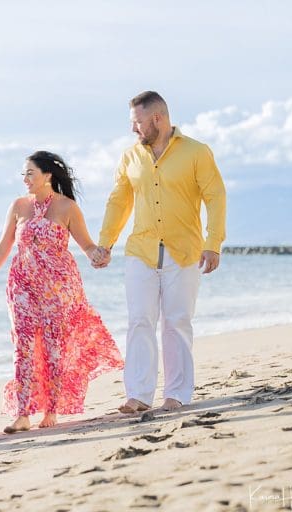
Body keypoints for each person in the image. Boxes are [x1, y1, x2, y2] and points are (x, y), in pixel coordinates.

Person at [93, 91, 226, 413]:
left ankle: (177, 394)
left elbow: (215, 197)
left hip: (185, 250)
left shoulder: (196, 152)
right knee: (139, 320)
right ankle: (138, 394)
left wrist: (213, 243)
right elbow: (119, 201)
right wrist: (105, 242)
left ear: (158, 119)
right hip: (141, 250)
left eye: (137, 123)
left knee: (177, 321)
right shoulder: (130, 157)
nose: (133, 130)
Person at [0, 151, 124, 433]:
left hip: (58, 288)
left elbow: (87, 246)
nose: (25, 179)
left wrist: (99, 255)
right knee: (23, 345)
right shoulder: (18, 206)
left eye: (30, 173)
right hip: (22, 285)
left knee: (54, 348)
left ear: (48, 176)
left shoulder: (68, 208)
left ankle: (51, 410)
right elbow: (2, 247)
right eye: (24, 174)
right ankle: (22, 414)